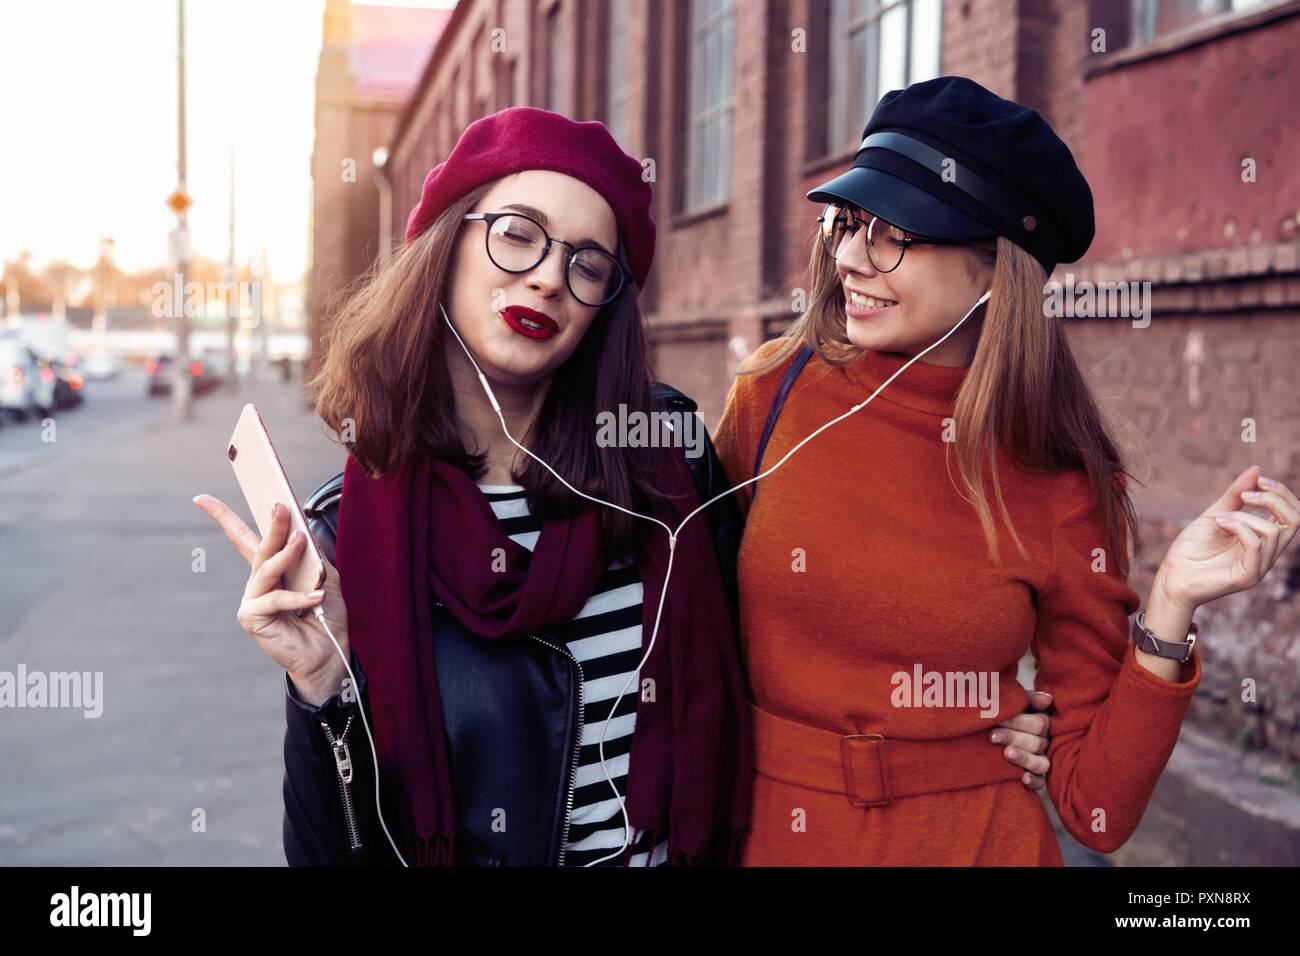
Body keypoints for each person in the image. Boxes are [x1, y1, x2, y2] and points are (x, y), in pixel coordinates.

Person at [193, 106, 1053, 868]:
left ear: (607, 303)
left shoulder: (665, 464)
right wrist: (322, 689)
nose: (545, 278)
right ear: (446, 242)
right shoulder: (344, 539)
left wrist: (972, 711)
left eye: (588, 263)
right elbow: (333, 851)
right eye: (518, 234)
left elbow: (795, 628)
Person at [712, 76, 1299, 866]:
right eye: (846, 225)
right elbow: (688, 631)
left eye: (890, 234)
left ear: (995, 268)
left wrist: (1173, 603)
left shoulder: (1060, 479)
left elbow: (1093, 811)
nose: (849, 257)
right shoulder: (770, 397)